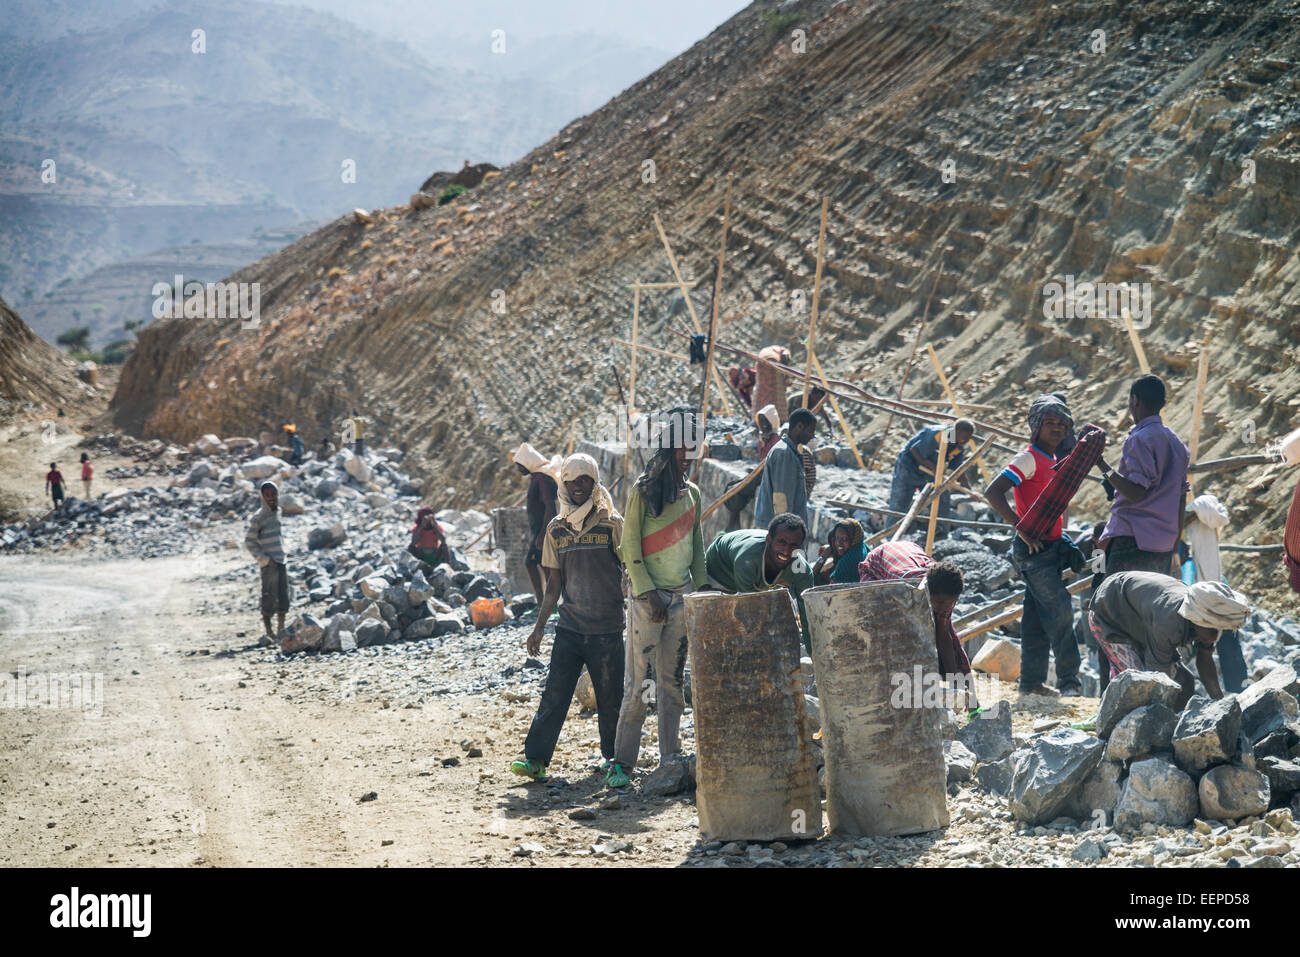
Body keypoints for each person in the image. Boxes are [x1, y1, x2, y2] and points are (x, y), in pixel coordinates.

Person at [511, 454, 626, 782]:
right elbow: (553, 587)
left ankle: (616, 761)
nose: (577, 487)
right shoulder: (556, 530)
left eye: (584, 481)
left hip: (607, 628)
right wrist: (538, 629)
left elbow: (630, 568)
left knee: (610, 698)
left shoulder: (611, 524)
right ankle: (536, 760)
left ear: (594, 483)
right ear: (562, 484)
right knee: (555, 694)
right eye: (571, 481)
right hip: (570, 629)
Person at [608, 421, 707, 789]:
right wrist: (648, 593)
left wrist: (702, 591)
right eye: (683, 450)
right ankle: (622, 764)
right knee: (637, 684)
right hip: (648, 602)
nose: (688, 458)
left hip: (681, 600)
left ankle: (671, 759)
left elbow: (696, 548)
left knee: (670, 683)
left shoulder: (692, 494)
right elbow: (630, 546)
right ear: (668, 452)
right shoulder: (643, 491)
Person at [985, 395, 1085, 697]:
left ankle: (1031, 683)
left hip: (1049, 548)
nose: (1056, 428)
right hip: (1033, 552)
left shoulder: (1052, 459)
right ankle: (1070, 683)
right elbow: (993, 492)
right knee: (1062, 611)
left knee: (1035, 621)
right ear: (1036, 427)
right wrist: (1021, 526)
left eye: (1061, 423)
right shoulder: (1028, 458)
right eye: (1050, 423)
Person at [1088, 572, 1249, 707]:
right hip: (1110, 612)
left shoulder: (1202, 618)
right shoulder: (1170, 623)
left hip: (1141, 616)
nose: (1216, 636)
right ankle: (1115, 729)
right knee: (1136, 685)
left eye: (1219, 630)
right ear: (1196, 619)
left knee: (1185, 681)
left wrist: (1219, 705)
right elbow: (1156, 678)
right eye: (1213, 629)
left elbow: (1204, 659)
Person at [859, 540, 975, 703]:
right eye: (941, 603)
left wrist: (954, 685)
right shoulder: (904, 590)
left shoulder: (945, 593)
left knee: (948, 634)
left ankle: (971, 702)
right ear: (927, 591)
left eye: (951, 603)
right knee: (886, 634)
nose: (945, 607)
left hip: (910, 553)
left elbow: (943, 638)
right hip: (876, 565)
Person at [1097, 374, 1189, 577]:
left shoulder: (1139, 439)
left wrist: (1102, 465)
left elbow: (1136, 493)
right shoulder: (1178, 444)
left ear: (1134, 400)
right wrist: (1174, 547)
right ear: (1163, 404)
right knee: (1145, 606)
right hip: (1162, 545)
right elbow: (1181, 498)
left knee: (1113, 603)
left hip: (1132, 537)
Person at [705, 513, 816, 652]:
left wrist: (814, 655)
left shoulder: (802, 571)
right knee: (723, 630)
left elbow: (809, 618)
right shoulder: (747, 558)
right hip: (719, 571)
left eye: (794, 545)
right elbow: (748, 610)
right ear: (769, 539)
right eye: (781, 542)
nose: (786, 551)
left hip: (751, 582)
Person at [888, 420, 974, 533]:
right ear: (957, 431)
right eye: (965, 437)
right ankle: (890, 535)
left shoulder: (958, 447)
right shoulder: (937, 434)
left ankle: (939, 532)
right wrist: (932, 466)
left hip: (929, 473)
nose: (967, 440)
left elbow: (958, 469)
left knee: (942, 496)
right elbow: (914, 449)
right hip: (908, 467)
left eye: (969, 437)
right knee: (900, 501)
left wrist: (969, 490)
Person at [755, 407, 817, 529]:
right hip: (781, 532)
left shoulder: (790, 452)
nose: (812, 436)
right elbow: (781, 500)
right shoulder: (784, 454)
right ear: (799, 426)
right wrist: (785, 532)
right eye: (810, 431)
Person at [722, 404, 781, 532]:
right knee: (731, 486)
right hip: (761, 473)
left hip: (770, 478)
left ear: (772, 421)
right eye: (761, 421)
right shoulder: (763, 440)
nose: (763, 424)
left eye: (766, 421)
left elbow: (773, 466)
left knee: (737, 490)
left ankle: (733, 523)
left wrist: (757, 472)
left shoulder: (776, 440)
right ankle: (734, 522)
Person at [513, 443, 559, 604]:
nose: (519, 469)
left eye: (520, 465)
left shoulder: (541, 478)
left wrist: (543, 534)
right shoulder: (537, 477)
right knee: (535, 563)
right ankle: (543, 603)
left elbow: (550, 506)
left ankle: (549, 604)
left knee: (541, 565)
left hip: (543, 530)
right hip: (539, 531)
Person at [245, 479, 289, 646]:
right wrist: (264, 559)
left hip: (281, 560)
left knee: (283, 595)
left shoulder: (278, 512)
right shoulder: (258, 517)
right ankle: (269, 632)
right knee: (269, 596)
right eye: (268, 495)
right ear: (262, 497)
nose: (272, 498)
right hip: (269, 564)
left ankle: (281, 629)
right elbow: (249, 542)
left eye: (274, 494)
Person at [813, 518, 866, 585]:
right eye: (836, 538)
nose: (838, 543)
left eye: (844, 539)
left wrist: (823, 558)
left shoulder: (846, 563)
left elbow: (810, 579)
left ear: (853, 540)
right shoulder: (862, 548)